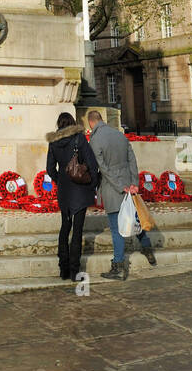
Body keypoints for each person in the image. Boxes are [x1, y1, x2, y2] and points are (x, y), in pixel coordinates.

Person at [86, 109, 156, 281]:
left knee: (117, 229)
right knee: (133, 218)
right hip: (128, 184)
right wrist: (134, 184)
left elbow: (103, 168)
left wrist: (119, 186)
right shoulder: (119, 135)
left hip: (113, 188)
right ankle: (147, 248)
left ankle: (118, 267)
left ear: (90, 123)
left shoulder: (95, 139)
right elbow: (132, 160)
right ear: (101, 119)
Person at [45, 110, 100, 281]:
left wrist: (59, 180)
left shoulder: (53, 143)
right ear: (72, 123)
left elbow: (49, 168)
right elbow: (91, 163)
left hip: (65, 191)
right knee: (77, 231)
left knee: (64, 227)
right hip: (80, 190)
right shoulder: (79, 138)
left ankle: (63, 268)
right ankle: (75, 270)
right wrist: (93, 184)